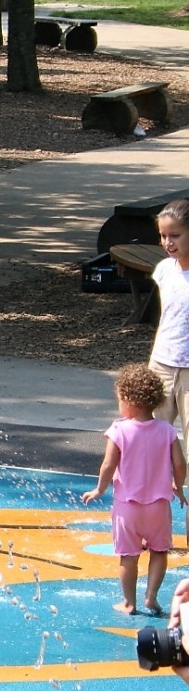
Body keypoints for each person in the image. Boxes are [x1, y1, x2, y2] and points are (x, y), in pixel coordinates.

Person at [82, 364, 186, 615]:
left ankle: (129, 602)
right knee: (160, 551)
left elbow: (109, 465)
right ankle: (151, 597)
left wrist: (100, 489)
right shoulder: (168, 430)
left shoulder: (120, 430)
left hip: (127, 505)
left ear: (129, 401)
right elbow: (180, 464)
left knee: (128, 556)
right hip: (159, 506)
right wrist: (179, 487)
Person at [150, 199, 189, 492]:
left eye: (175, 235)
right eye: (164, 236)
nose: (168, 242)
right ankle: (152, 527)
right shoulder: (164, 270)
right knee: (153, 442)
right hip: (161, 364)